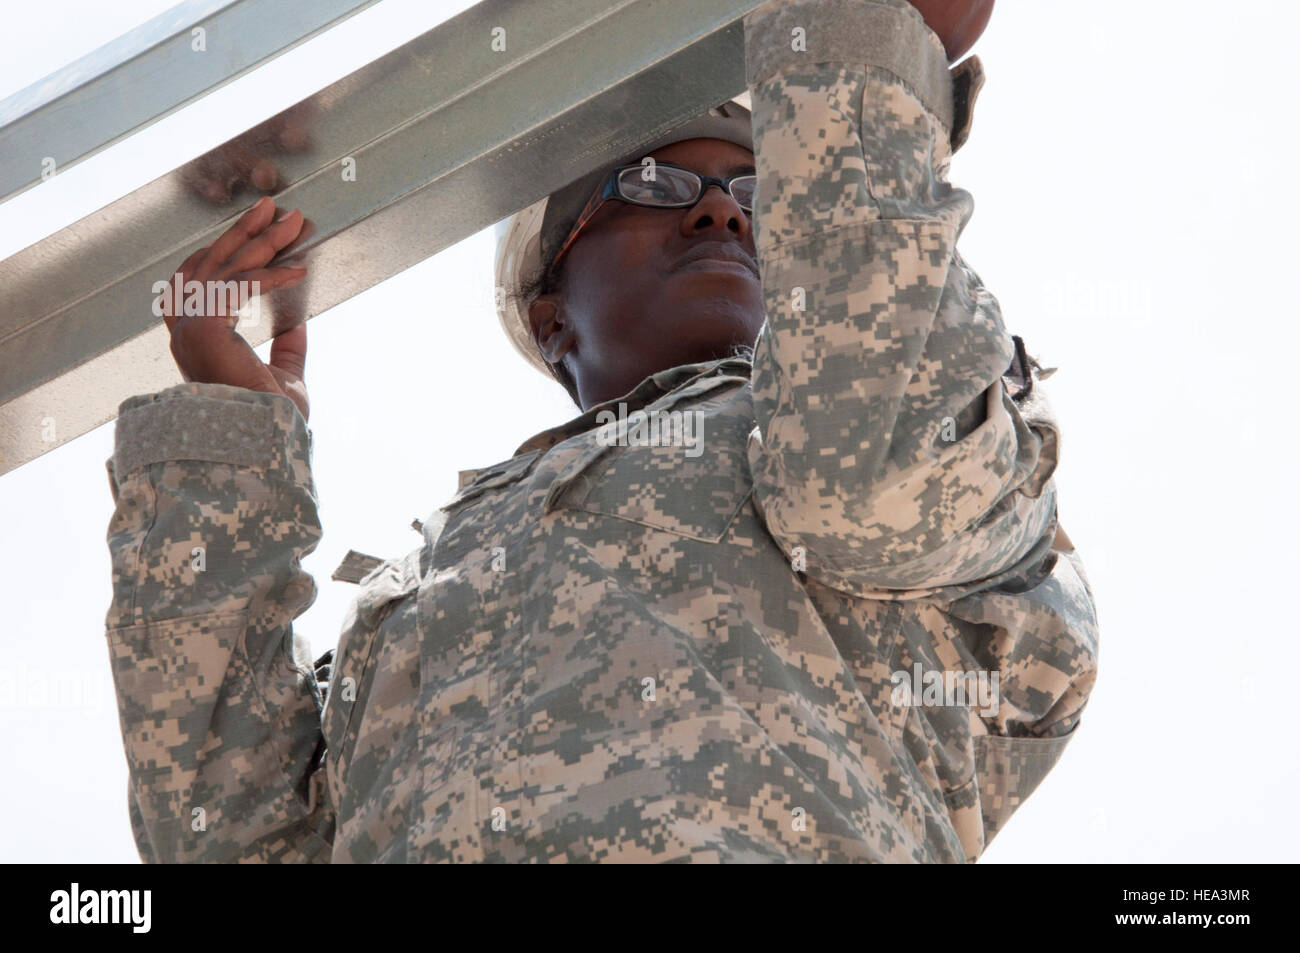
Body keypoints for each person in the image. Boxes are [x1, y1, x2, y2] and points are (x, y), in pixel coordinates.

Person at [103, 0, 1097, 862]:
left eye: (759, 193)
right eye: (652, 185)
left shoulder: (934, 422)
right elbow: (227, 836)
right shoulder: (419, 584)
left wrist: (870, 48)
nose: (721, 215)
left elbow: (866, 468)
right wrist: (227, 439)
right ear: (549, 313)